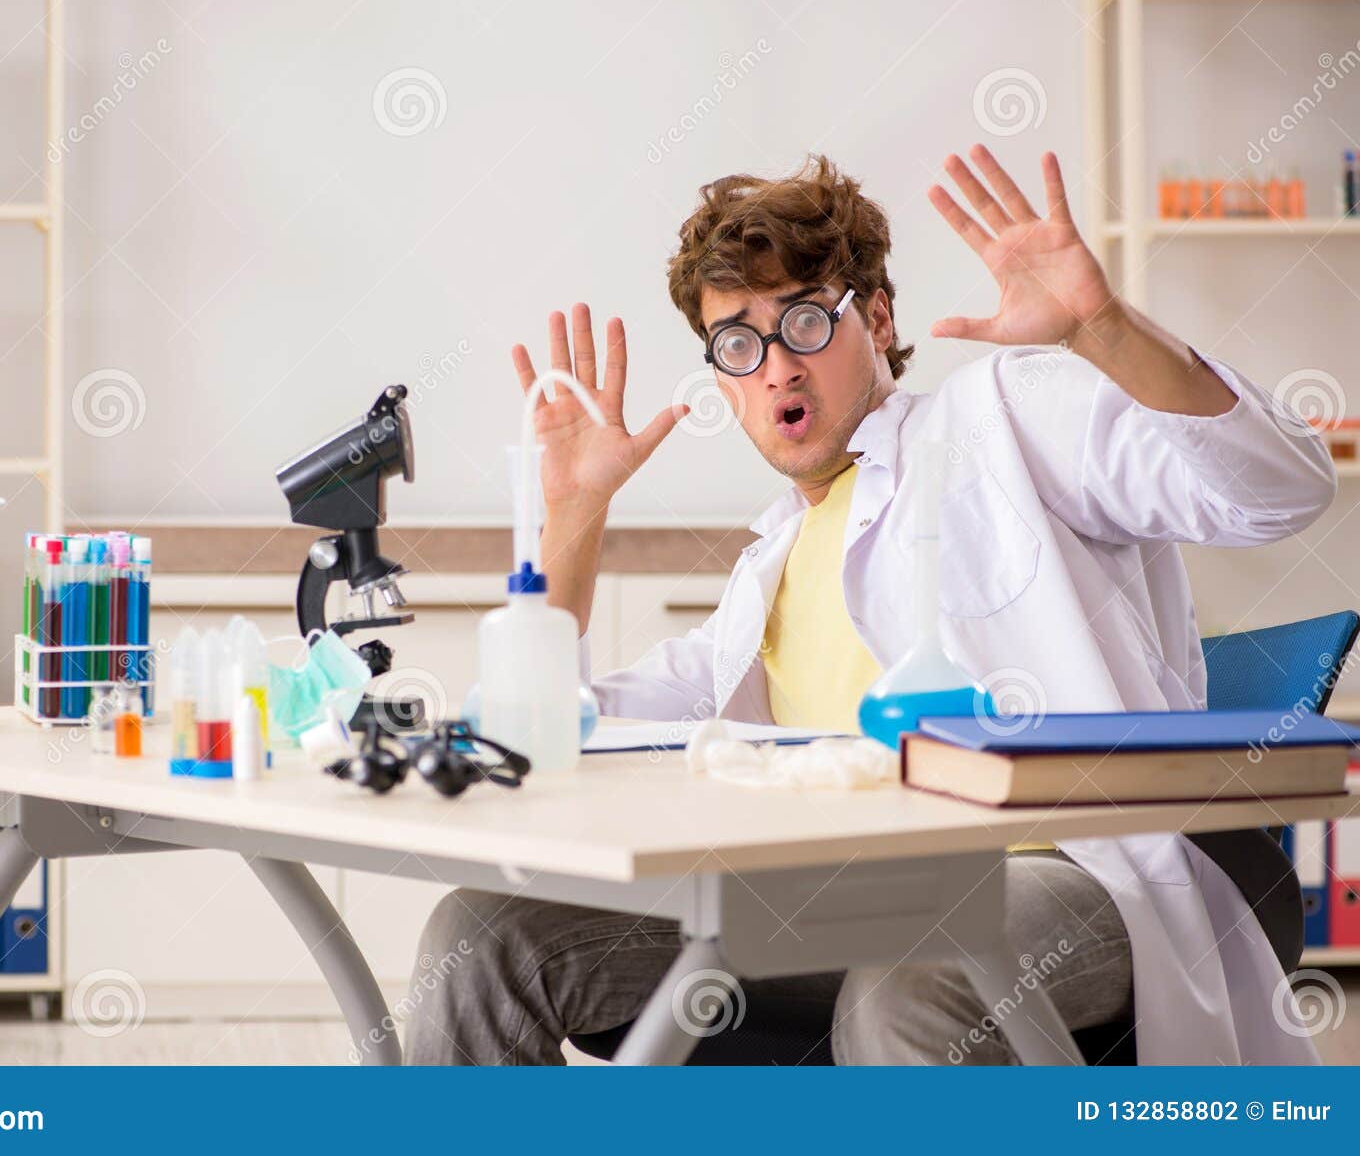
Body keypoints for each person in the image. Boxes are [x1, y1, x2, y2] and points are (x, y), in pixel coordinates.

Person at [405, 145, 1337, 1065]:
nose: (776, 369)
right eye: (738, 343)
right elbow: (552, 736)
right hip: (834, 908)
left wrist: (1103, 329)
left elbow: (1279, 491)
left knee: (918, 974)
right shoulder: (767, 568)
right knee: (483, 938)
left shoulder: (1001, 417)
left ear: (878, 318)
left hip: (1061, 876)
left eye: (804, 322)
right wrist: (574, 515)